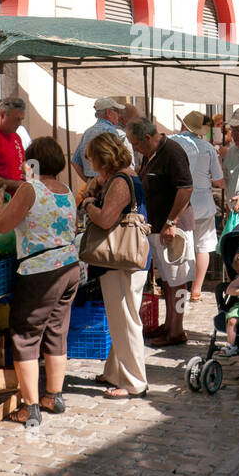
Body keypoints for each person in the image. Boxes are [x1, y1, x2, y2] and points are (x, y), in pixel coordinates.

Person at [0, 138, 79, 427]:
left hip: (40, 269)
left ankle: (31, 407)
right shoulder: (68, 191)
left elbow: (2, 226)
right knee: (56, 331)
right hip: (69, 265)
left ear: (31, 163)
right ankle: (54, 395)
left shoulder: (30, 189)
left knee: (26, 335)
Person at [79, 132, 150, 399]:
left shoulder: (120, 181)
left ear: (103, 157)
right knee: (120, 318)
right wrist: (96, 184)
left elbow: (106, 220)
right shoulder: (126, 175)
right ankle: (114, 371)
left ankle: (134, 382)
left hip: (121, 259)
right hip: (126, 259)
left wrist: (88, 205)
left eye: (93, 160)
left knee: (126, 319)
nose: (92, 166)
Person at [125, 117, 193, 348]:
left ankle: (177, 329)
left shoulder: (172, 151)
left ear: (147, 138)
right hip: (159, 225)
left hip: (173, 226)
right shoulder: (150, 153)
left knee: (178, 280)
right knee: (168, 279)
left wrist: (171, 221)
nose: (134, 148)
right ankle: (171, 324)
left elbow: (185, 188)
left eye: (135, 143)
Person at [171, 112, 224, 303]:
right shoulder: (208, 147)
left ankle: (180, 289)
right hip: (203, 203)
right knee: (203, 247)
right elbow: (219, 180)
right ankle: (196, 291)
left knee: (180, 247)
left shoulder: (171, 143)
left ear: (183, 125)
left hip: (179, 203)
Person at [72, 98, 129, 182]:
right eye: (117, 111)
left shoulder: (87, 132)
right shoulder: (111, 131)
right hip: (108, 182)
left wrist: (89, 182)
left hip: (92, 182)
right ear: (108, 113)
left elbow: (75, 162)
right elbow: (119, 161)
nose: (119, 115)